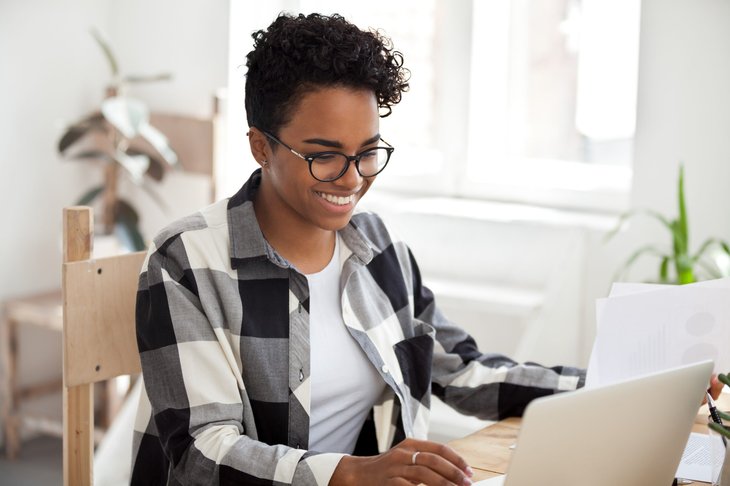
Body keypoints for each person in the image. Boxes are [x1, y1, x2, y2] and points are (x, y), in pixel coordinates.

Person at [129, 12, 589, 485]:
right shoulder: (185, 262)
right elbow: (202, 453)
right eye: (324, 155)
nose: (351, 178)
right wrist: (348, 475)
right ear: (261, 147)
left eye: (367, 152)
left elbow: (459, 371)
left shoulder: (376, 248)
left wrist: (601, 384)